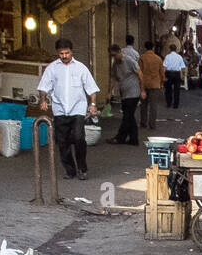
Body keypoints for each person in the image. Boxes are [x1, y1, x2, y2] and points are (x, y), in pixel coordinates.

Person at [35, 37, 99, 181]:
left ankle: (82, 169)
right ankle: (70, 170)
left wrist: (92, 104)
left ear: (72, 52)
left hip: (78, 109)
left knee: (78, 138)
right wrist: (43, 100)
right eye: (61, 53)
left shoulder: (81, 68)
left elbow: (91, 88)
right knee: (62, 142)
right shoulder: (52, 68)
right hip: (59, 110)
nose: (64, 56)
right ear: (58, 53)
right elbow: (44, 87)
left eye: (67, 53)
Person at [108, 44, 141, 145]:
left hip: (133, 93)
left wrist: (143, 90)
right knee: (129, 116)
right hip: (124, 94)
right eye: (112, 56)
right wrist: (110, 91)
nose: (114, 58)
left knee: (127, 116)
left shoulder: (129, 60)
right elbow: (114, 78)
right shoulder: (115, 64)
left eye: (114, 55)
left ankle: (120, 137)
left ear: (119, 52)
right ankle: (133, 139)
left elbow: (140, 74)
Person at [138, 40, 164, 130]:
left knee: (143, 105)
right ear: (153, 48)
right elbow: (162, 73)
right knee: (153, 106)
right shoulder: (158, 58)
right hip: (155, 84)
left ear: (145, 47)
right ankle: (152, 124)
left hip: (144, 84)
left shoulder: (142, 58)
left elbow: (139, 72)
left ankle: (143, 123)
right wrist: (161, 84)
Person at [163, 44, 187, 109]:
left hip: (169, 73)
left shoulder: (167, 56)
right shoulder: (179, 57)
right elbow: (183, 67)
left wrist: (163, 76)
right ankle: (176, 105)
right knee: (177, 90)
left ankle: (169, 103)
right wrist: (182, 75)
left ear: (170, 49)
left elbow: (164, 67)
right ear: (176, 49)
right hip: (177, 74)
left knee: (168, 89)